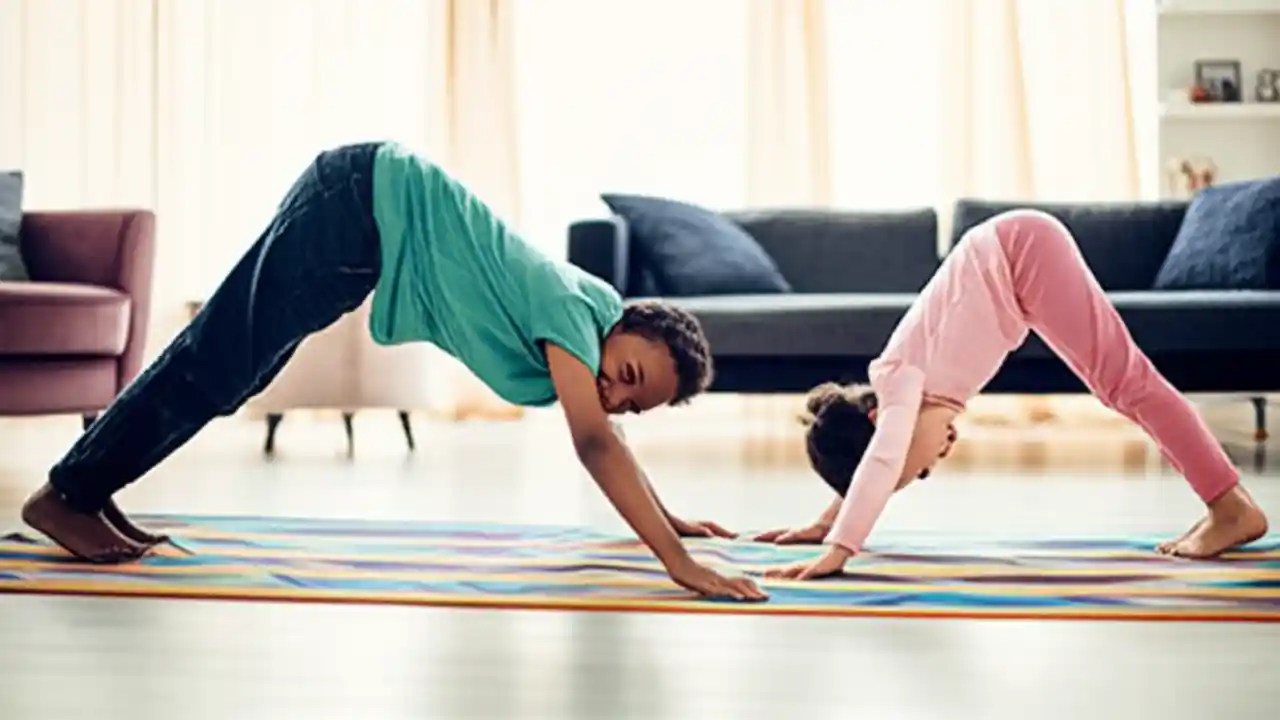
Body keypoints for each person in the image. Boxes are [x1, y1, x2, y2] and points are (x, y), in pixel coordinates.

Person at [20, 141, 767, 603]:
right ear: (624, 325)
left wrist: (669, 518)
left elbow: (611, 435)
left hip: (361, 212)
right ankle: (70, 493)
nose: (613, 396)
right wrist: (678, 563)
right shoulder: (578, 317)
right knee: (215, 362)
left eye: (634, 403)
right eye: (627, 375)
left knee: (229, 371)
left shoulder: (598, 316)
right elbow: (595, 444)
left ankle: (92, 489)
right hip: (359, 206)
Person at [755, 210, 1268, 580]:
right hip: (1015, 255)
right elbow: (879, 461)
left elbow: (884, 459)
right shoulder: (900, 389)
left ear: (874, 424)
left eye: (924, 470)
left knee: (1126, 382)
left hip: (1019, 250)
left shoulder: (899, 383)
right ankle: (1229, 502)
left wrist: (840, 549)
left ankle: (1230, 509)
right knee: (1121, 385)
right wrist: (826, 523)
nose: (939, 457)